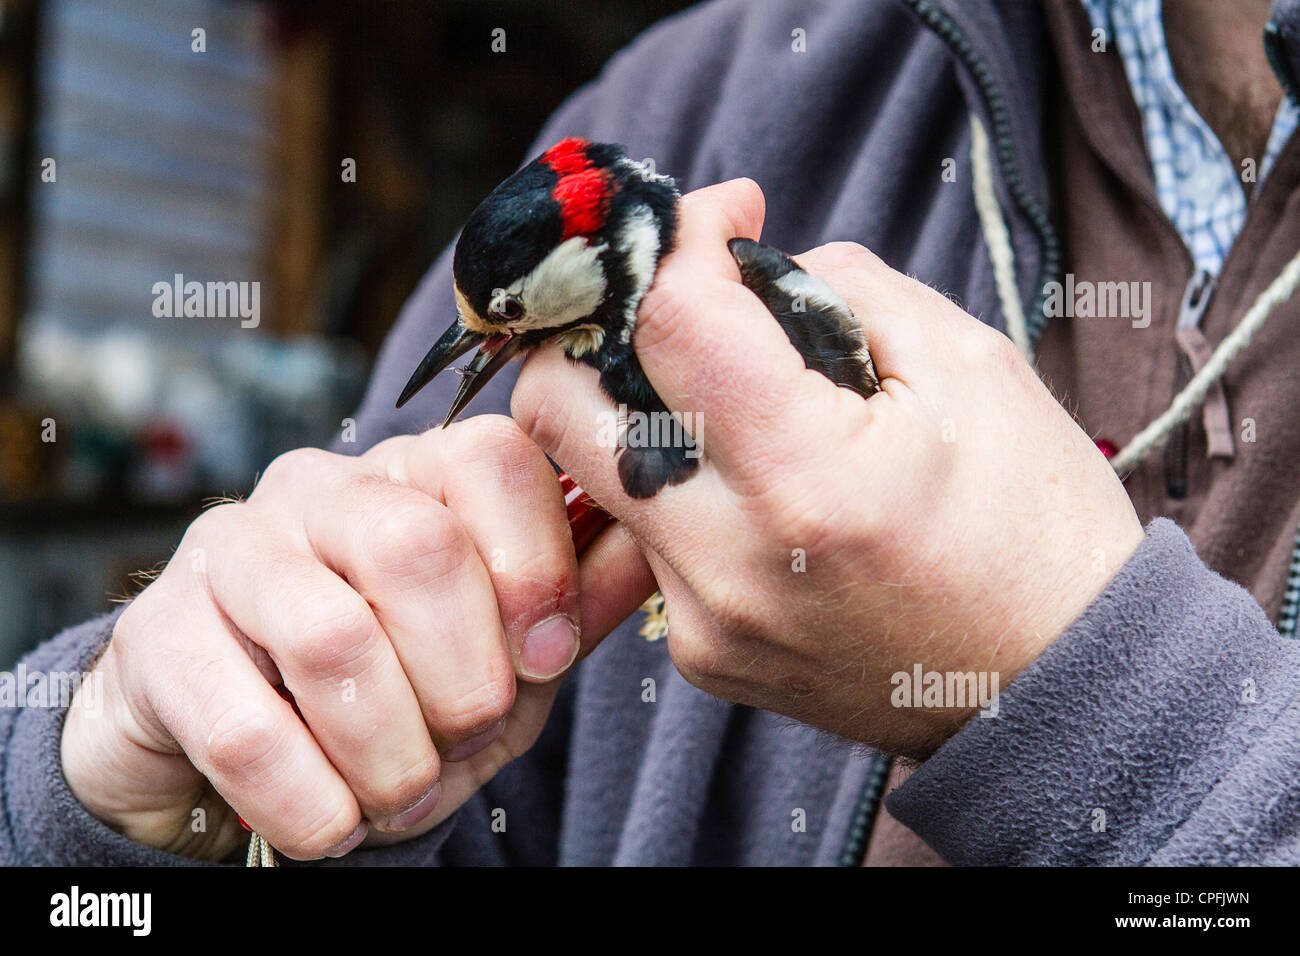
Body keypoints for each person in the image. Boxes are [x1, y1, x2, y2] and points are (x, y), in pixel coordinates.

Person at [5, 0, 1298, 866]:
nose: (478, 356)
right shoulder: (714, 90)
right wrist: (125, 802)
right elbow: (367, 774)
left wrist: (1090, 707)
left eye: (502, 318)